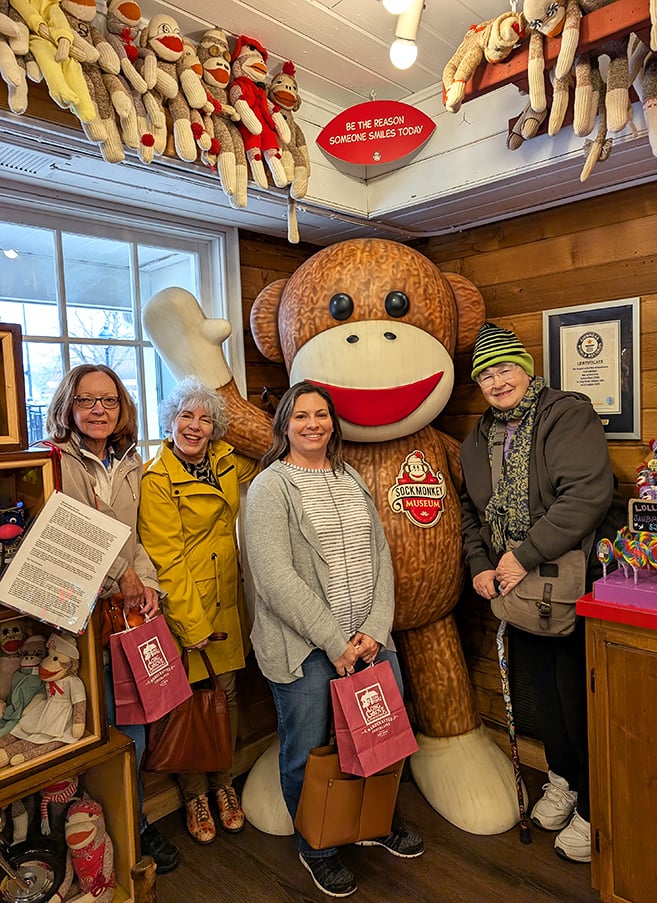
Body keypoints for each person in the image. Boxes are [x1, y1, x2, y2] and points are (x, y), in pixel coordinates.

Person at [245, 380, 424, 899]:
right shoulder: (271, 487)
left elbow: (381, 558)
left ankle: (376, 822)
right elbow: (275, 577)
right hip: (305, 647)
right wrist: (332, 640)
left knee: (381, 737)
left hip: (368, 639)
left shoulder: (350, 477)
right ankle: (317, 846)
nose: (312, 424)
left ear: (333, 422)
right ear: (285, 425)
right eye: (300, 416)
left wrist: (375, 627)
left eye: (321, 415)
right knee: (307, 747)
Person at [460, 322, 622, 864]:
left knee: (577, 697)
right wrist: (481, 564)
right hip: (512, 587)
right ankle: (564, 779)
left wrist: (520, 556)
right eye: (485, 374)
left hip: (568, 584)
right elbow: (469, 512)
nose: (496, 380)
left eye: (504, 367)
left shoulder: (565, 414)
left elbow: (587, 496)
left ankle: (595, 806)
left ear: (527, 368)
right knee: (540, 694)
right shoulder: (475, 441)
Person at [44, 364, 179, 873]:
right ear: (69, 406)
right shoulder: (55, 459)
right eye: (87, 400)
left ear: (121, 407)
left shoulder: (129, 462)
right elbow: (71, 534)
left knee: (134, 725)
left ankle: (134, 825)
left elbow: (132, 536)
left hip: (125, 615)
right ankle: (80, 840)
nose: (98, 409)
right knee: (85, 728)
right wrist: (124, 577)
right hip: (77, 616)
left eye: (109, 401)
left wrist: (148, 589)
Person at [138, 377, 258, 845]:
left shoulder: (227, 463)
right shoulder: (157, 479)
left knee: (224, 698)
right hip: (185, 607)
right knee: (186, 704)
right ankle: (193, 794)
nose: (195, 425)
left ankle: (222, 783)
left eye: (205, 418)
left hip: (227, 597)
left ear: (214, 428)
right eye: (186, 416)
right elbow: (165, 559)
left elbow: (270, 450)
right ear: (169, 422)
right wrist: (192, 626)